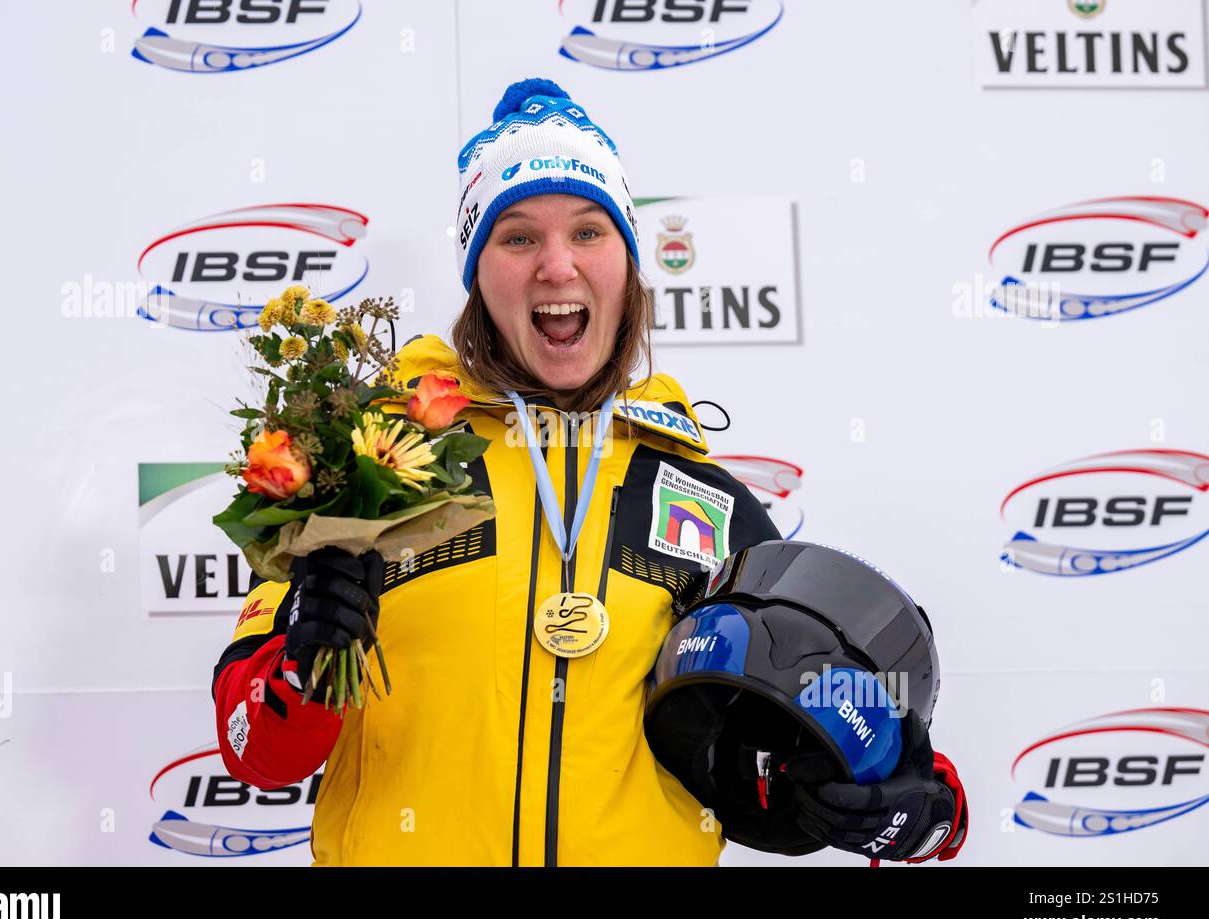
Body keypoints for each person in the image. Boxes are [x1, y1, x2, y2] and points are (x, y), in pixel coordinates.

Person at [213, 78, 968, 866]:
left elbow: (846, 719)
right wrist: (305, 658)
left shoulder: (708, 503)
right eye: (516, 237)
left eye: (588, 232)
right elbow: (257, 753)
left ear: (628, 266)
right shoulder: (371, 471)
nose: (555, 266)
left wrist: (916, 805)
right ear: (478, 277)